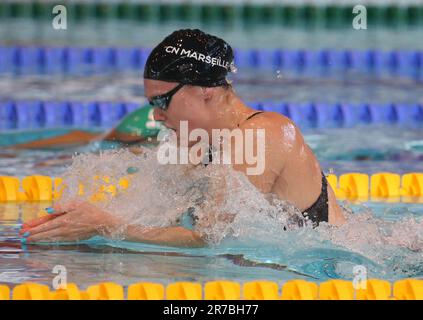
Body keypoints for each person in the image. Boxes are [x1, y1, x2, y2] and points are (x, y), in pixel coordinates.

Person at [20, 29, 346, 247]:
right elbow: (165, 219)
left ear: (204, 89)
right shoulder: (194, 143)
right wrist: (83, 220)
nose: (157, 116)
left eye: (161, 102)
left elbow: (208, 239)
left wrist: (105, 225)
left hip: (328, 272)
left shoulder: (265, 133)